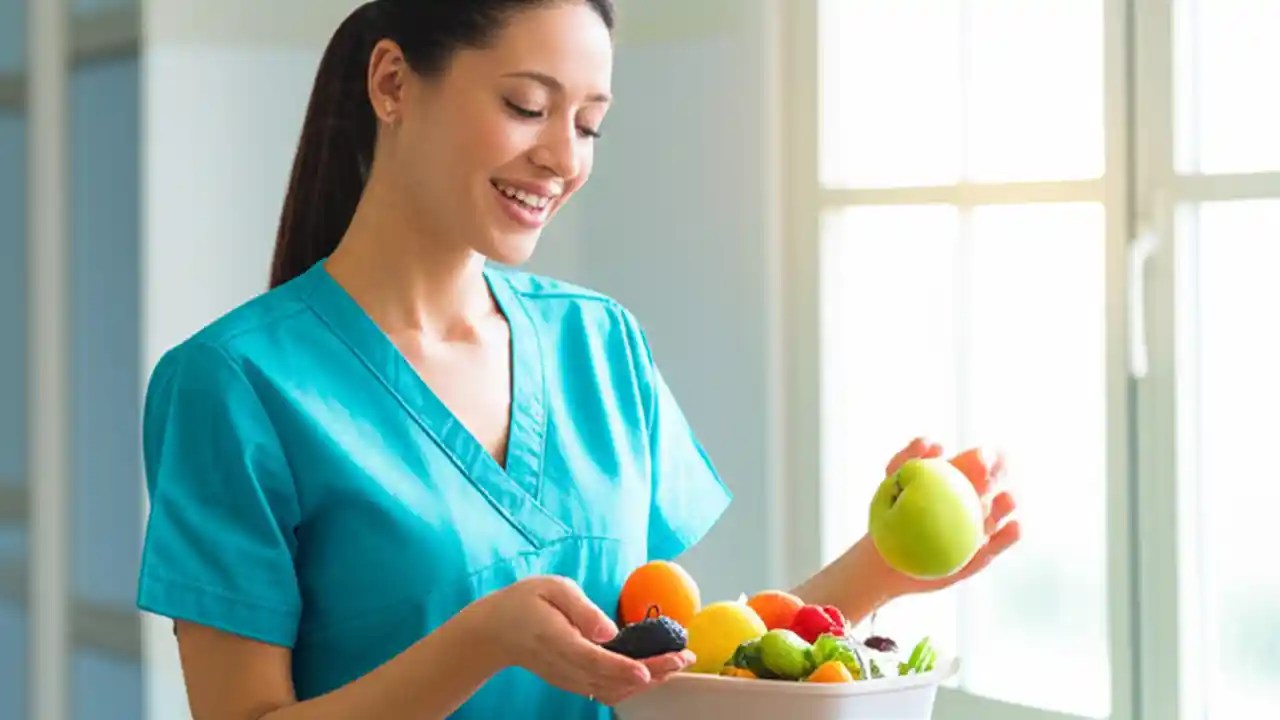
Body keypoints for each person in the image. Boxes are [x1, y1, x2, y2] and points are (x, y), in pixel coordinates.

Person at [134, 1, 1021, 718]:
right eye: (527, 106)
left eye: (589, 124)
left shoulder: (602, 347)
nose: (563, 158)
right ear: (394, 81)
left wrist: (886, 568)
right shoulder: (233, 385)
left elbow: (689, 667)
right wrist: (481, 641)